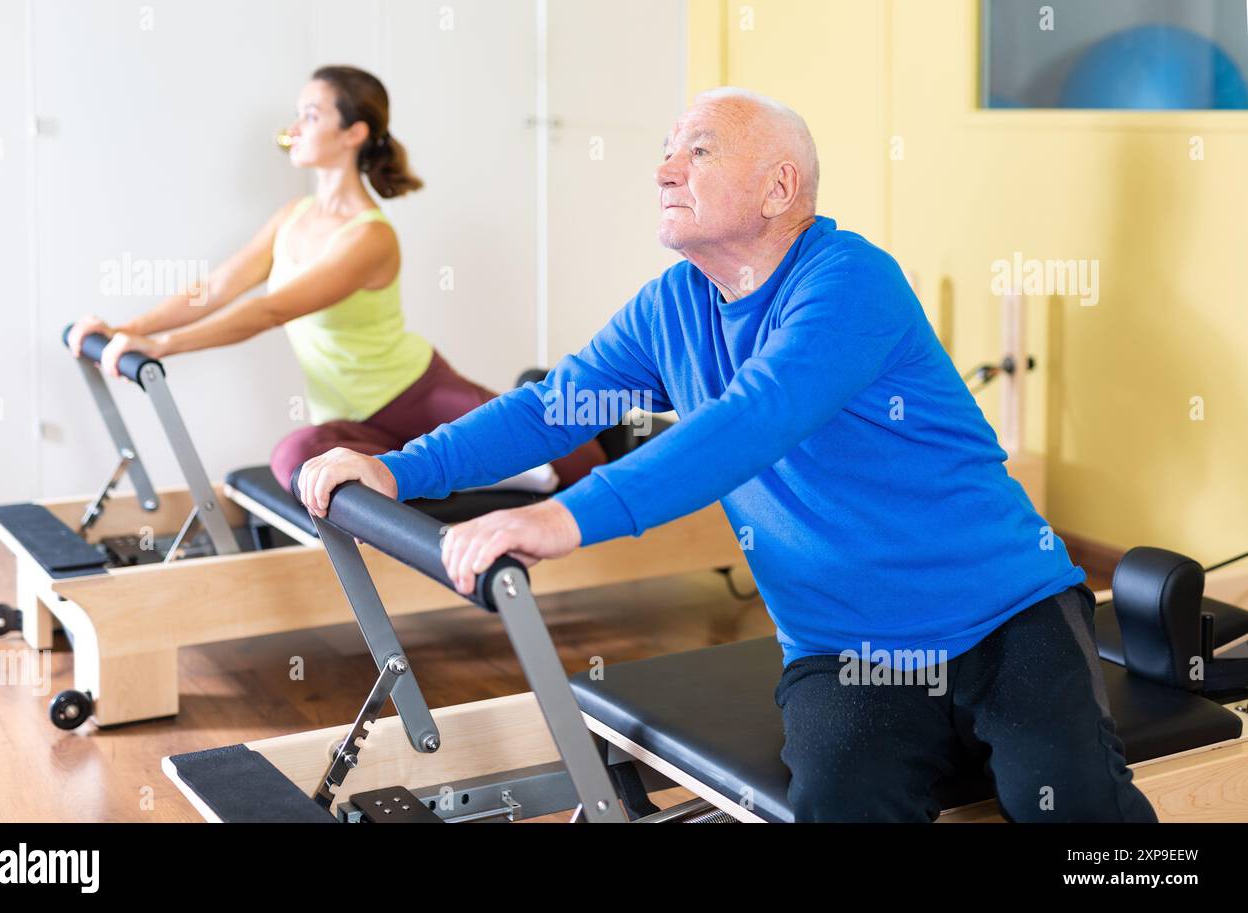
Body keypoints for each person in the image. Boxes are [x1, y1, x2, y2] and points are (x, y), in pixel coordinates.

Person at [296, 87, 1157, 823]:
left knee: (1070, 803)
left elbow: (751, 420)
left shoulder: (850, 281)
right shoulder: (675, 303)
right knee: (839, 802)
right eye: (667, 151)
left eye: (697, 151)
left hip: (1007, 613)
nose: (665, 168)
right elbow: (555, 406)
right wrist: (400, 469)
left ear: (779, 186)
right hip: (840, 643)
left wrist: (566, 516)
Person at [66, 65, 605, 492]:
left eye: (311, 115)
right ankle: (475, 470)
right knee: (296, 459)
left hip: (415, 392)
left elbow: (272, 310)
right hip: (353, 424)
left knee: (576, 454)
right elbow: (216, 289)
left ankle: (564, 439)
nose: (294, 127)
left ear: (353, 132)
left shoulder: (369, 236)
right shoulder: (293, 217)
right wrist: (124, 330)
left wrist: (159, 345)